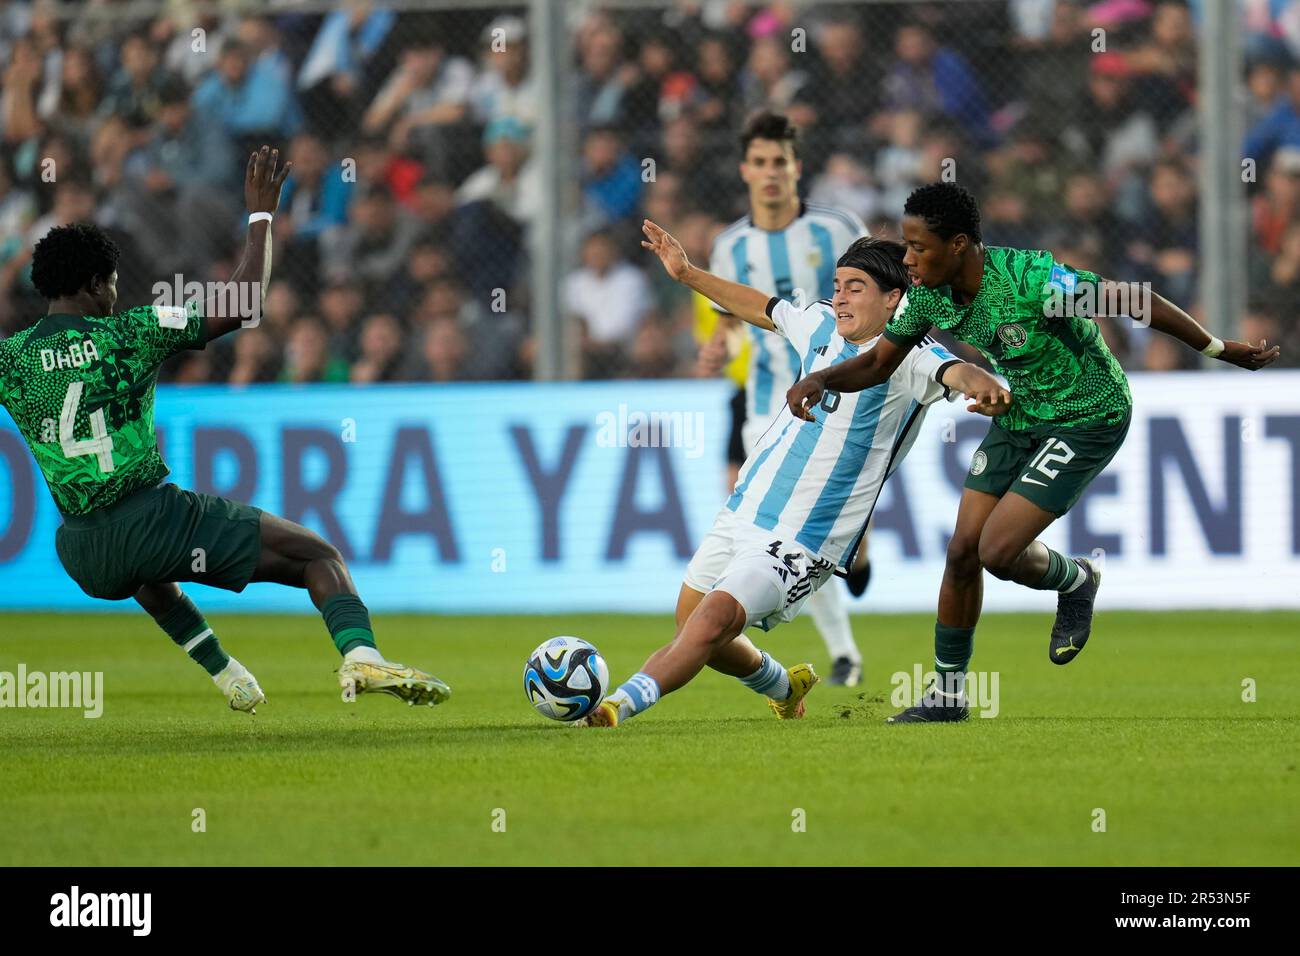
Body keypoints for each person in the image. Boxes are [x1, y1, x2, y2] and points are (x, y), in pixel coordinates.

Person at [786, 182, 1280, 722]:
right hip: (1022, 414)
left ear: (958, 245)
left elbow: (1135, 300)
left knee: (996, 552)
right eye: (905, 247)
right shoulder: (927, 294)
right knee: (960, 552)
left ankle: (1076, 580)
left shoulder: (1034, 281)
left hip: (1088, 415)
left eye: (918, 248)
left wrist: (1214, 347)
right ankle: (948, 697)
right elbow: (878, 363)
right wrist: (824, 377)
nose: (907, 260)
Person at [0, 147, 450, 715]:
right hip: (151, 519)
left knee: (146, 567)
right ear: (93, 285)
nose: (115, 294)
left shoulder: (11, 359)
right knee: (318, 556)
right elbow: (241, 303)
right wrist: (261, 216)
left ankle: (225, 671)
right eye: (111, 284)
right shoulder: (128, 334)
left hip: (84, 553)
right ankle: (361, 654)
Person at [577, 221, 1009, 728]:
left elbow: (956, 372)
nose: (841, 298)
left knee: (713, 621)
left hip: (805, 539)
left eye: (856, 288)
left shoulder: (912, 358)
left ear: (895, 299)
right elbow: (760, 306)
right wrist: (687, 273)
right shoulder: (821, 324)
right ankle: (785, 685)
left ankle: (617, 706)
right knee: (694, 628)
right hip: (746, 508)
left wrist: (982, 383)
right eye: (837, 286)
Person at [706, 111, 871, 686]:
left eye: (781, 161)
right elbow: (730, 319)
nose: (771, 172)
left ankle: (854, 557)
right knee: (781, 536)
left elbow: (879, 300)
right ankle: (843, 653)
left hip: (832, 397)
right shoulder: (729, 246)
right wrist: (717, 344)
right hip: (764, 408)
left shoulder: (837, 228)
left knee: (797, 534)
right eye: (760, 163)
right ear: (744, 171)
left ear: (797, 168)